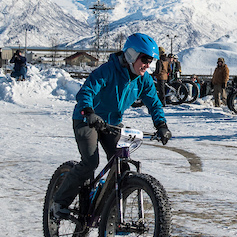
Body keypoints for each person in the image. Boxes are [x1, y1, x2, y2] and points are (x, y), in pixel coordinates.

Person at [51, 33, 171, 217]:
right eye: (145, 59)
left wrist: (161, 124)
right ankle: (58, 203)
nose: (148, 65)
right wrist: (88, 112)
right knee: (90, 162)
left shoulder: (143, 79)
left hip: (111, 124)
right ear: (131, 55)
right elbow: (86, 92)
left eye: (151, 61)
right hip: (86, 119)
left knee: (122, 167)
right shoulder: (107, 70)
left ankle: (110, 212)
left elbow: (154, 103)